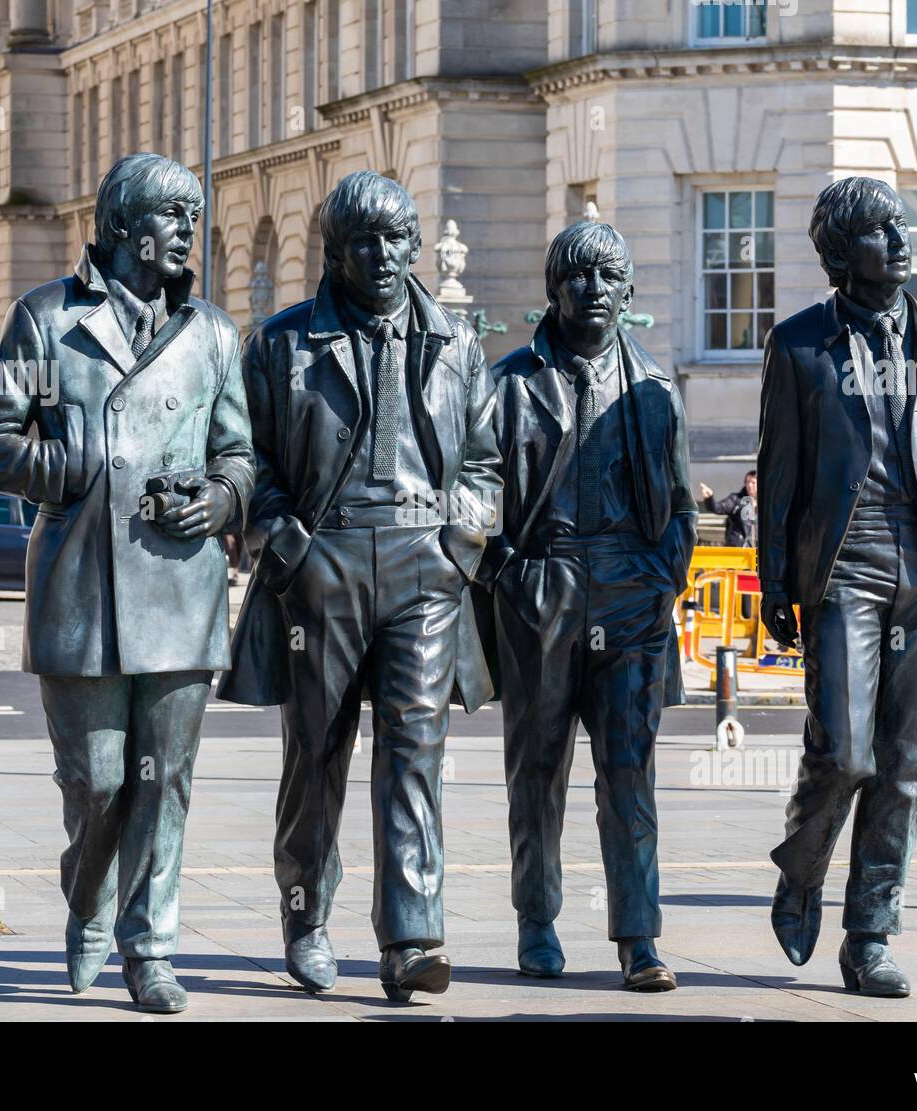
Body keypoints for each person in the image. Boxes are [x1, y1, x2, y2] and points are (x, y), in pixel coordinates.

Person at [0, 153, 255, 1013]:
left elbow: (240, 452)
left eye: (191, 217)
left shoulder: (211, 334)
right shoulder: (45, 319)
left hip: (181, 587)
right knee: (98, 783)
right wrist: (68, 461)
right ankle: (86, 901)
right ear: (124, 226)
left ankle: (149, 947)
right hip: (82, 593)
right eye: (170, 216)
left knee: (164, 781)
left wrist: (221, 495)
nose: (186, 234)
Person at [218, 171, 502, 1002]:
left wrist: (461, 542)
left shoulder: (456, 341)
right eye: (363, 242)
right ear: (336, 253)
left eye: (395, 239)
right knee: (316, 754)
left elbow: (484, 462)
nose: (382, 256)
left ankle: (412, 937)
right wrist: (287, 544)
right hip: (327, 559)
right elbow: (252, 462)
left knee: (416, 752)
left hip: (425, 564)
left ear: (416, 246)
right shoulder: (281, 343)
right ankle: (305, 914)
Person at [757, 176, 917, 996]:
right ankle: (801, 866)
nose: (903, 239)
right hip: (845, 560)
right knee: (845, 752)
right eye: (879, 228)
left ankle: (871, 933)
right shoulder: (798, 345)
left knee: (901, 764)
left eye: (903, 225)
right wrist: (774, 585)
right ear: (838, 251)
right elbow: (781, 474)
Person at [479, 221, 696, 990]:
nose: (594, 290)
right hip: (544, 586)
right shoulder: (508, 384)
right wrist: (508, 570)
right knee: (536, 771)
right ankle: (536, 923)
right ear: (554, 289)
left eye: (608, 277)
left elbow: (679, 504)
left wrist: (664, 572)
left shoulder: (655, 389)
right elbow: (473, 497)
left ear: (629, 292)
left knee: (628, 773)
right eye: (578, 276)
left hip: (631, 591)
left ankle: (639, 936)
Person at [699, 471, 757, 547]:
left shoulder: (766, 503)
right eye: (747, 482)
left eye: (753, 482)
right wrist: (709, 498)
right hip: (738, 547)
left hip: (756, 549)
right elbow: (717, 508)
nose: (749, 485)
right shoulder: (736, 499)